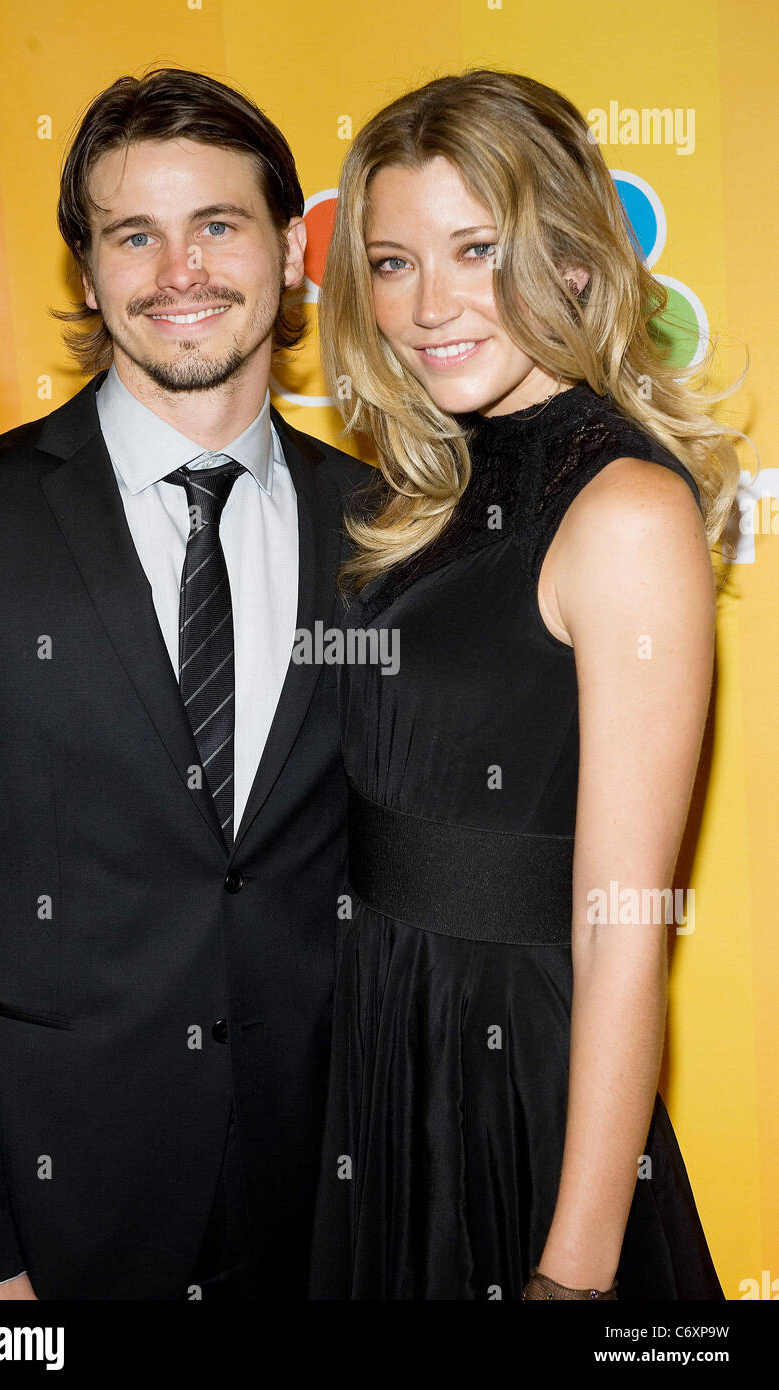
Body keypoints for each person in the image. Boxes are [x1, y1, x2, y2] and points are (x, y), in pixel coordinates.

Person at [0, 66, 371, 1300]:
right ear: (88, 269)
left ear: (287, 247)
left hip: (325, 1210)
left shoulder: (385, 531)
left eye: (216, 224)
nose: (180, 270)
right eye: (134, 234)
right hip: (51, 1225)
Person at [308, 68, 738, 1300]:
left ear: (569, 260)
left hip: (507, 1080)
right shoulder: (427, 488)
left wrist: (573, 1271)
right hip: (387, 1043)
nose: (428, 303)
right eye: (390, 262)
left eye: (475, 250)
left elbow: (618, 939)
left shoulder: (625, 511)